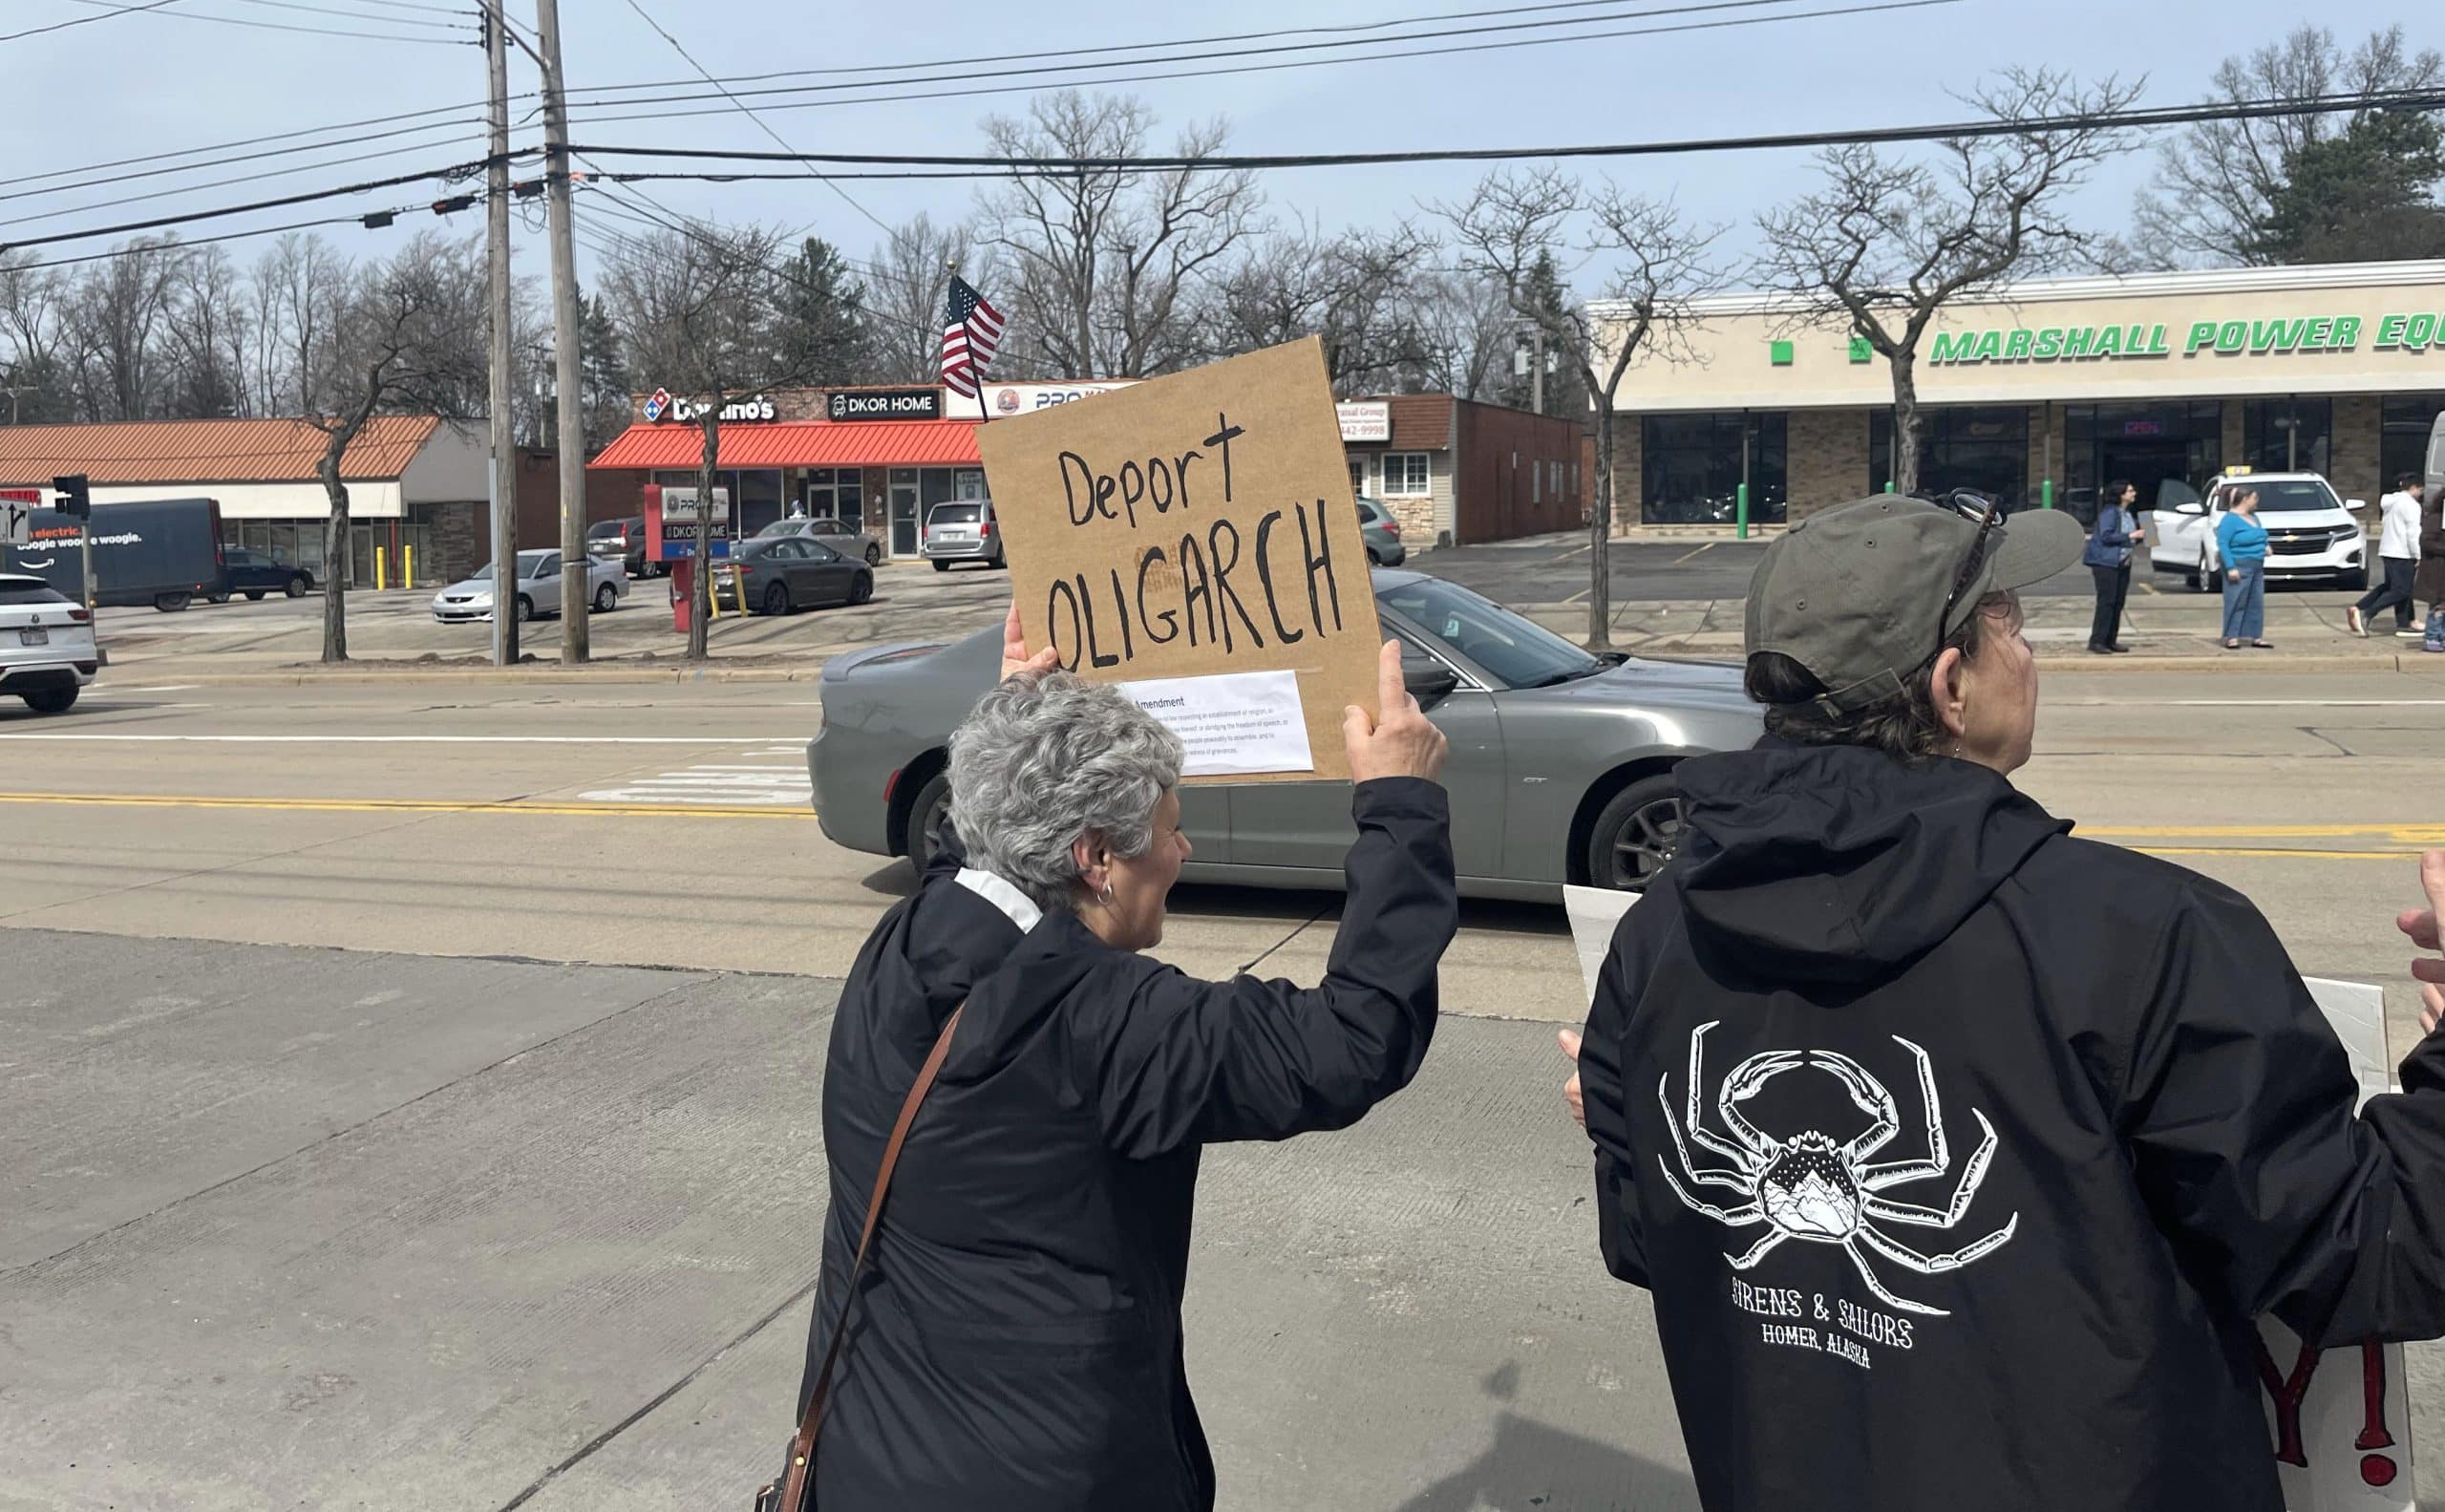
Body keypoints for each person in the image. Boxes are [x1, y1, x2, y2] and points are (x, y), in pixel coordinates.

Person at [1560, 490, 2445, 1512]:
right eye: (2012, 627)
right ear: (1952, 686)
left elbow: (1651, 1242)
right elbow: (2374, 1255)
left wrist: (1628, 1130)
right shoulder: (2147, 934)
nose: (2030, 656)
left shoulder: (1655, 936)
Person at [795, 606, 1454, 1512]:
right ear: (1097, 858)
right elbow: (1354, 1038)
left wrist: (1016, 722)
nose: (1182, 850)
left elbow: (970, 846)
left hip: (873, 1454)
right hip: (1056, 1479)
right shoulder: (1107, 1023)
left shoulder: (902, 947)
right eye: (1168, 829)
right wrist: (1401, 806)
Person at [2348, 473, 2425, 638]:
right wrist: (2418, 554)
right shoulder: (2411, 506)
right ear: (2413, 488)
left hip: (2388, 549)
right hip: (2403, 552)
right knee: (2402, 590)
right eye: (2420, 490)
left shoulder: (2391, 502)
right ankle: (2367, 613)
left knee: (2391, 587)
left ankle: (2403, 623)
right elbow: (2412, 533)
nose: (2420, 494)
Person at [2078, 479, 2143, 653]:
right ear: (2121, 495)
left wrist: (2143, 535)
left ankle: (2110, 640)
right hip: (2106, 563)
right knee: (2106, 602)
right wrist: (2131, 535)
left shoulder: (2127, 514)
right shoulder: (2109, 513)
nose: (2134, 493)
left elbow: (2130, 539)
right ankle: (2097, 640)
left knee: (2118, 602)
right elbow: (2106, 536)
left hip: (2122, 563)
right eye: (2130, 491)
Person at [2218, 482, 2270, 650]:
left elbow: (2260, 535)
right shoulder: (2229, 520)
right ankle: (2231, 636)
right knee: (2236, 601)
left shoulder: (2254, 517)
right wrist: (2230, 567)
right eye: (2254, 498)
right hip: (2240, 565)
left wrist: (2265, 546)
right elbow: (2223, 544)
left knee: (2256, 601)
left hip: (2257, 565)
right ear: (2245, 499)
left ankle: (2255, 636)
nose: (2256, 501)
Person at [2418, 480, 2445, 652]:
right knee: (2439, 605)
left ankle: (2441, 635)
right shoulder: (2435, 519)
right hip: (2437, 570)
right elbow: (2426, 542)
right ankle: (2432, 636)